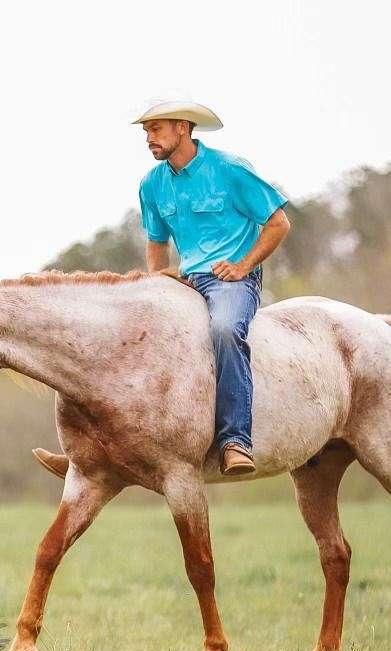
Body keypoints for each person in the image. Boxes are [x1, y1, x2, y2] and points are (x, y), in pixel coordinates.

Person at [135, 100, 291, 475]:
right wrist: (158, 281)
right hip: (184, 282)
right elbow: (156, 241)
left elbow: (278, 223)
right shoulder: (151, 184)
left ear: (183, 129)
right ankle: (116, 446)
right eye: (146, 133)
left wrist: (243, 266)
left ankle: (236, 441)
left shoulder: (230, 170)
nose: (149, 139)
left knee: (224, 329)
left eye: (156, 130)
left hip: (229, 282)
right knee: (136, 334)